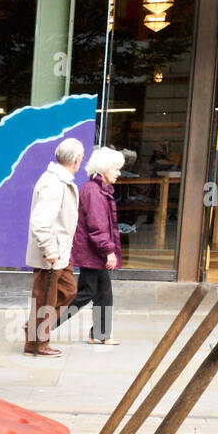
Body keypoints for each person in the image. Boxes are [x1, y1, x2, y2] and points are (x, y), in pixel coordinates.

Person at [23, 138, 83, 357]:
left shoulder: (60, 180)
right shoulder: (54, 183)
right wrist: (50, 249)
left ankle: (34, 332)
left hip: (61, 253)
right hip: (52, 254)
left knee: (69, 291)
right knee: (45, 299)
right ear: (77, 159)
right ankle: (37, 343)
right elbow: (40, 222)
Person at [64, 146, 126, 346]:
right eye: (116, 168)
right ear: (104, 168)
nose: (119, 173)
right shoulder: (94, 191)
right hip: (92, 253)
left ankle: (100, 334)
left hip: (93, 254)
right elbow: (97, 227)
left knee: (103, 293)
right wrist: (109, 251)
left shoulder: (99, 189)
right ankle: (41, 326)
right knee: (85, 294)